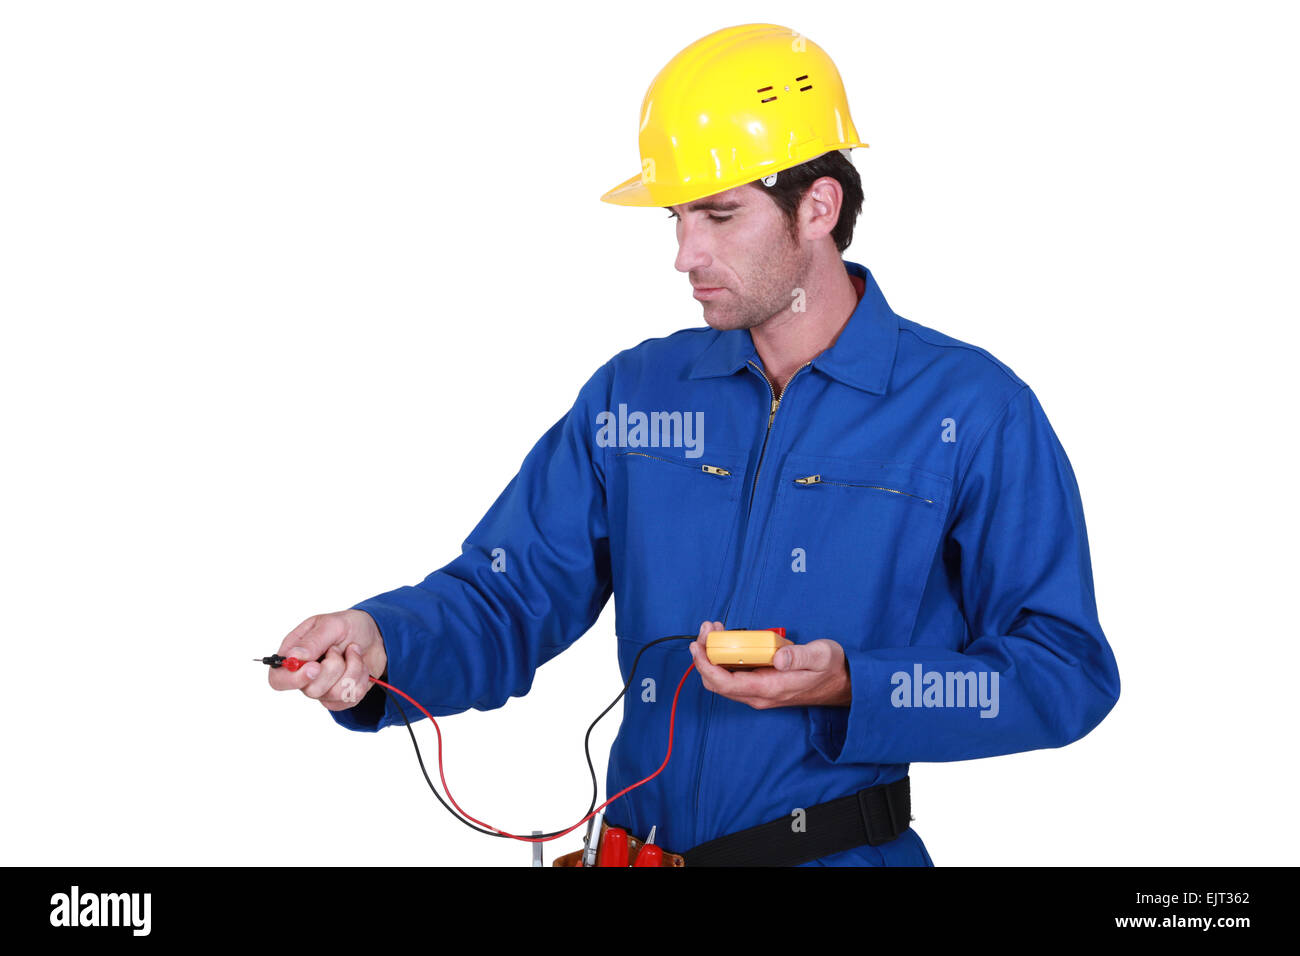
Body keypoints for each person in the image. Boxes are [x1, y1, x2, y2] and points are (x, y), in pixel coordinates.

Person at [268, 23, 1120, 866]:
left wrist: (855, 686)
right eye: (677, 217)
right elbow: (507, 595)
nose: (685, 253)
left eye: (719, 214)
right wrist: (383, 643)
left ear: (818, 206)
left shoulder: (972, 409)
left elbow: (1064, 671)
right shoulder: (635, 396)